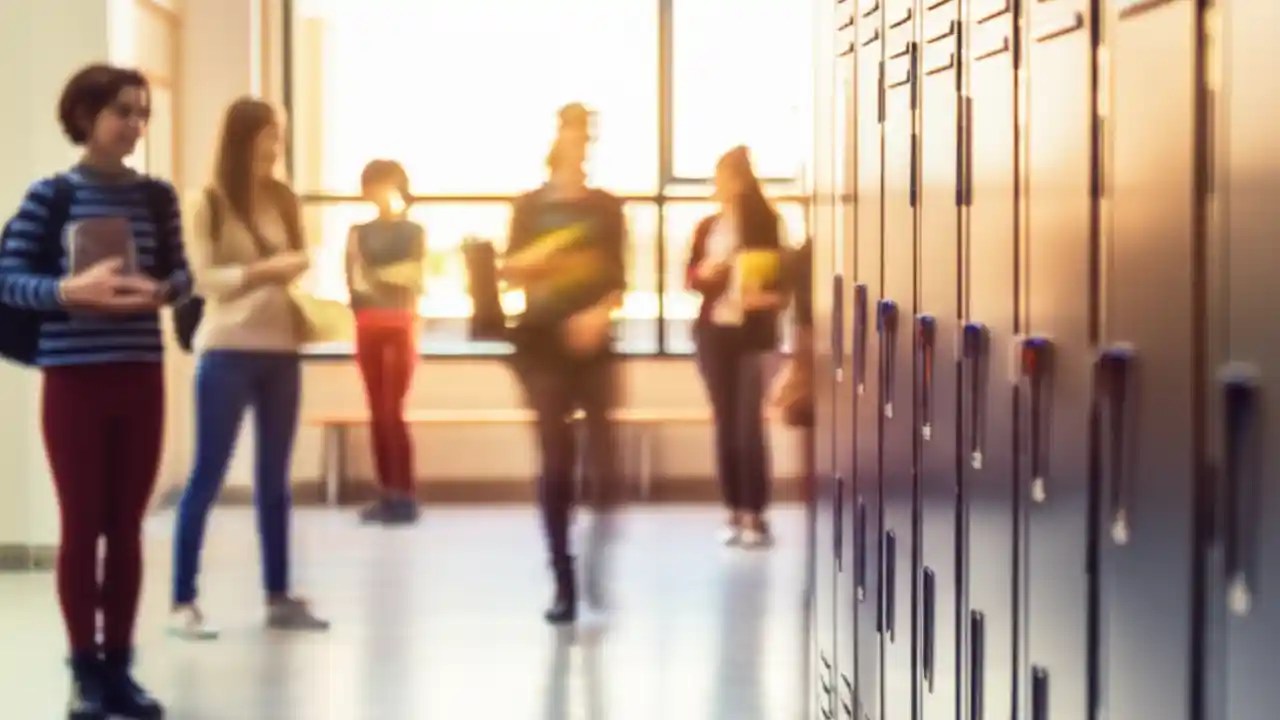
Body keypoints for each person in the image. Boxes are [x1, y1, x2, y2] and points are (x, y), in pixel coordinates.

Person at [0, 63, 192, 720]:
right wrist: (65, 291)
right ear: (85, 117)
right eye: (122, 112)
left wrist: (161, 290)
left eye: (143, 113)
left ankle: (119, 670)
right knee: (83, 527)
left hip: (140, 374)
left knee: (127, 528)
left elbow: (181, 274)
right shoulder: (49, 197)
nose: (135, 125)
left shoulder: (156, 198)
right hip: (74, 380)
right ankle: (84, 671)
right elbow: (8, 278)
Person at [168, 97, 329, 640]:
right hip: (228, 348)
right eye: (267, 135)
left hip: (282, 349)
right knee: (207, 475)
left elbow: (302, 257)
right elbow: (206, 278)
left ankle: (279, 595)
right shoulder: (207, 201)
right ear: (242, 138)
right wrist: (268, 269)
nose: (275, 146)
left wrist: (289, 266)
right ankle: (182, 601)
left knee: (274, 480)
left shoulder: (283, 198)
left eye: (278, 135)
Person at [502, 105, 626, 624]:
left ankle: (597, 553)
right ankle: (563, 580)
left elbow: (619, 279)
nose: (579, 146)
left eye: (587, 138)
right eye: (572, 136)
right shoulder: (529, 207)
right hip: (541, 344)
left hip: (593, 346)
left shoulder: (606, 208)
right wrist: (538, 265)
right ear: (558, 140)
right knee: (556, 461)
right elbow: (509, 271)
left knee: (604, 464)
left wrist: (597, 315)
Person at [685, 146, 786, 548]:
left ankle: (755, 513)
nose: (722, 185)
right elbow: (690, 278)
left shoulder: (766, 223)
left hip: (753, 336)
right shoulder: (708, 227)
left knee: (748, 424)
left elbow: (780, 278)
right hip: (714, 334)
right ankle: (731, 509)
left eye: (728, 176)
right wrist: (708, 273)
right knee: (725, 422)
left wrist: (763, 293)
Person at [346, 159, 426, 524]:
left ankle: (405, 493)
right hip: (368, 326)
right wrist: (382, 281)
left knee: (393, 410)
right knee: (377, 411)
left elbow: (412, 278)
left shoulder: (413, 231)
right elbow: (355, 281)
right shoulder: (357, 232)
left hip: (399, 325)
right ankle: (387, 493)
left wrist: (378, 279)